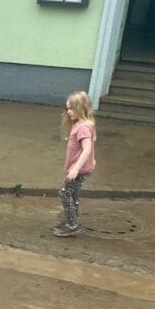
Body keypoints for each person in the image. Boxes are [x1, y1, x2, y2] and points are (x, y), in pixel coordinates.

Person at [54, 91, 97, 237]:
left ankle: (72, 224)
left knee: (65, 192)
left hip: (79, 169)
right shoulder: (85, 124)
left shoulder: (83, 127)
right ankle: (71, 220)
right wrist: (93, 160)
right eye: (67, 108)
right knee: (73, 192)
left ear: (81, 108)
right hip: (83, 167)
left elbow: (87, 148)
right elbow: (92, 144)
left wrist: (76, 169)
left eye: (72, 109)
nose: (69, 112)